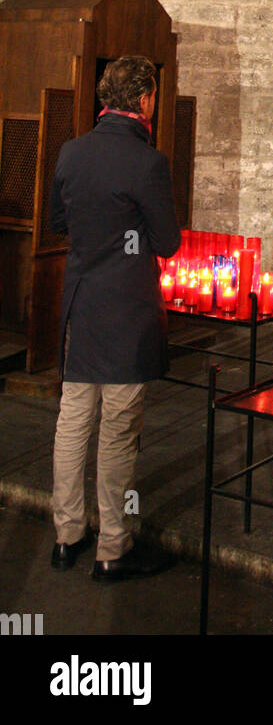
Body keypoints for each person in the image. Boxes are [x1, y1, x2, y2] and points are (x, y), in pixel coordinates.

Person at [49, 55, 180, 582]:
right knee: (119, 431)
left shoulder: (72, 152)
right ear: (145, 100)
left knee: (73, 421)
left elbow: (59, 220)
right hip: (127, 311)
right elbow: (168, 242)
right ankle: (113, 547)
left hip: (81, 305)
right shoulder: (148, 163)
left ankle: (66, 536)